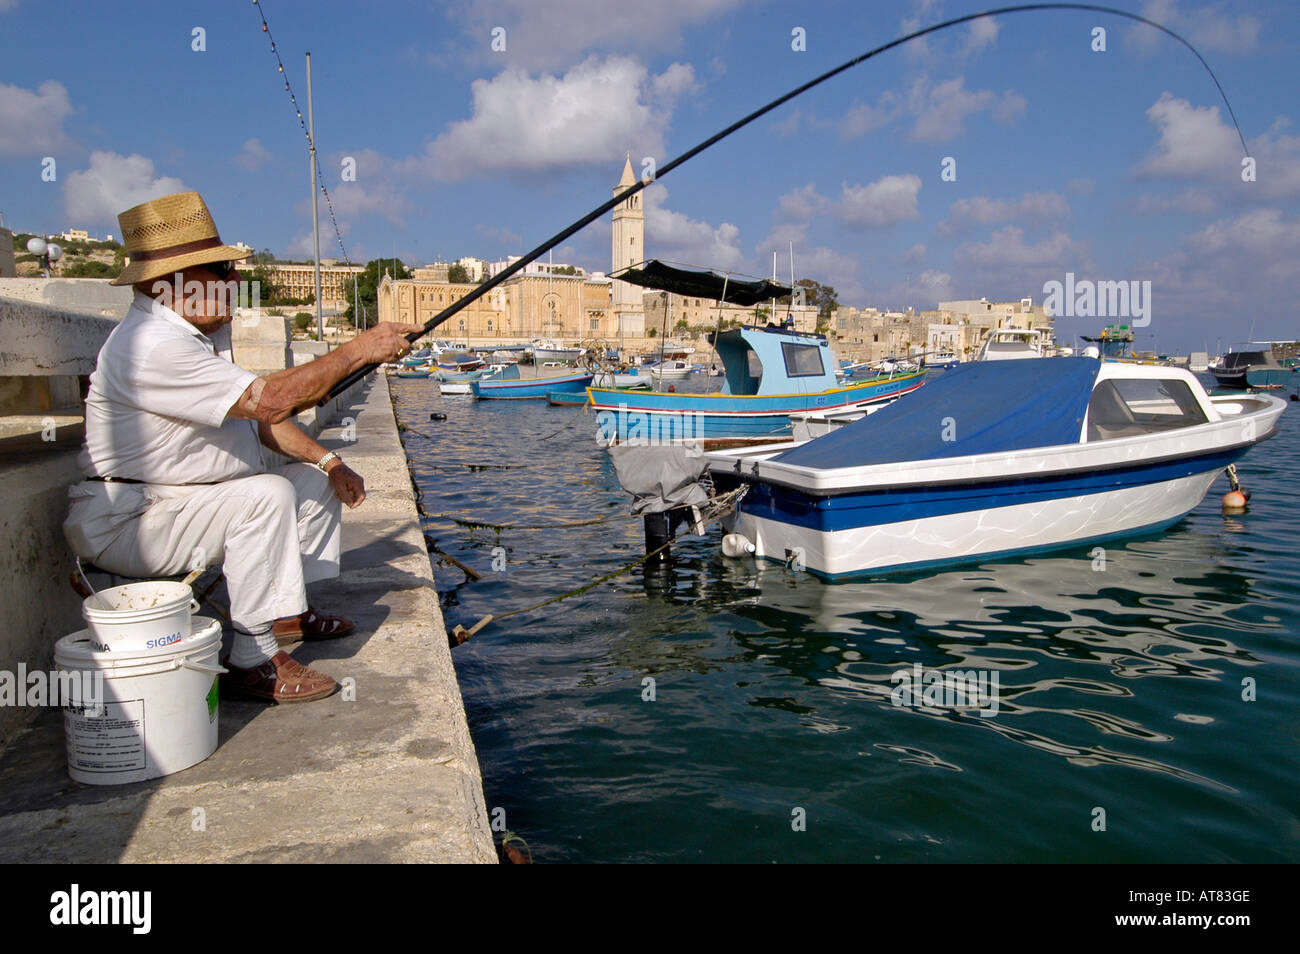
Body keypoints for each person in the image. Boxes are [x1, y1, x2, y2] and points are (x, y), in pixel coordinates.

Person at [63, 192, 424, 703]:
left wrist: (330, 461)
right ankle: (251, 661)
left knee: (310, 482)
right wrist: (358, 350)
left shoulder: (193, 335)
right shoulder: (153, 346)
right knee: (266, 496)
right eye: (220, 269)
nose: (236, 281)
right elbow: (272, 402)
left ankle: (286, 616)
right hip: (128, 522)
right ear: (171, 284)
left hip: (178, 504)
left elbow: (258, 421)